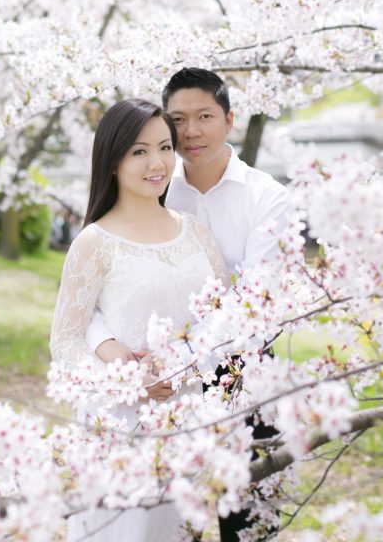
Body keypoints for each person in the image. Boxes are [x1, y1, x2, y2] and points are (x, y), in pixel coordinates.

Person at [86, 69, 293, 541]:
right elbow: (97, 287)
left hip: (240, 368)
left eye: (205, 116)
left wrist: (178, 362)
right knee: (155, 512)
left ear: (230, 120)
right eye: (178, 119)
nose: (191, 131)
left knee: (247, 516)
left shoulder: (267, 199)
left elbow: (255, 306)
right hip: (153, 376)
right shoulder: (152, 181)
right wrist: (117, 351)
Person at [50, 96, 228, 542]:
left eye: (165, 147)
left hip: (189, 419)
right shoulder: (94, 242)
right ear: (112, 161)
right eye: (139, 151)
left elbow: (228, 320)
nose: (157, 162)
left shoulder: (196, 230)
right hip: (122, 424)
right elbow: (66, 341)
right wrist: (122, 372)